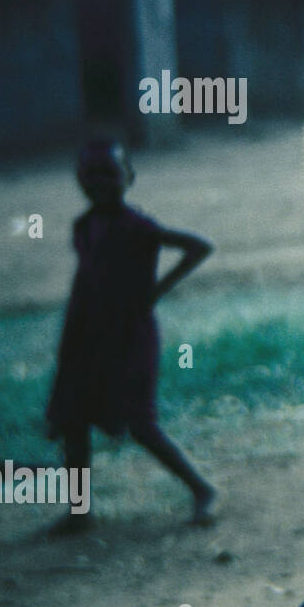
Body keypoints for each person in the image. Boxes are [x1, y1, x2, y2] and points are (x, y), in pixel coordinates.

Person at [45, 137, 217, 534]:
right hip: (87, 337)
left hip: (129, 339)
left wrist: (153, 292)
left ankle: (202, 489)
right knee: (74, 420)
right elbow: (84, 283)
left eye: (109, 172)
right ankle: (79, 510)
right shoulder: (84, 226)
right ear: (77, 179)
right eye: (89, 173)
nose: (98, 181)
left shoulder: (136, 226)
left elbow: (198, 247)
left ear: (130, 177)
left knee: (140, 422)